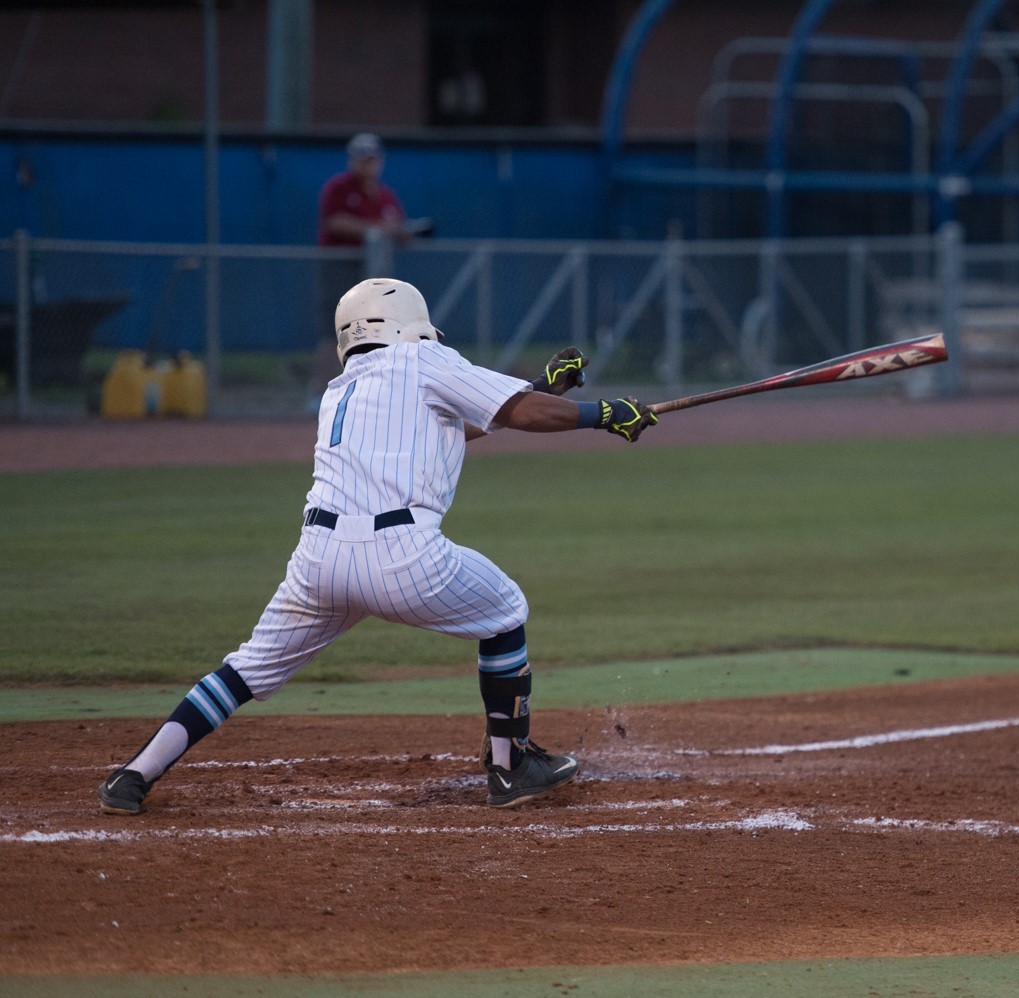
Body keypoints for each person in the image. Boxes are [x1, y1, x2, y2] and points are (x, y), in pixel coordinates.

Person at [98, 278, 659, 815]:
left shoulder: (342, 389)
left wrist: (541, 389)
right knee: (504, 609)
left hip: (319, 562)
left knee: (244, 672)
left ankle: (136, 774)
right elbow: (513, 413)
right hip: (403, 556)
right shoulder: (422, 360)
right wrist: (602, 415)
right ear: (404, 321)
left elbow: (453, 424)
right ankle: (511, 769)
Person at [309, 133, 414, 400]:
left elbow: (397, 226)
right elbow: (335, 222)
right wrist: (378, 229)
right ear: (352, 160)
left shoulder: (384, 195)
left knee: (379, 332)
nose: (368, 165)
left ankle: (372, 394)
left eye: (372, 159)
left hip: (375, 277)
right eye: (362, 159)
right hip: (340, 269)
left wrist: (403, 232)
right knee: (334, 331)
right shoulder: (339, 188)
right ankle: (320, 394)